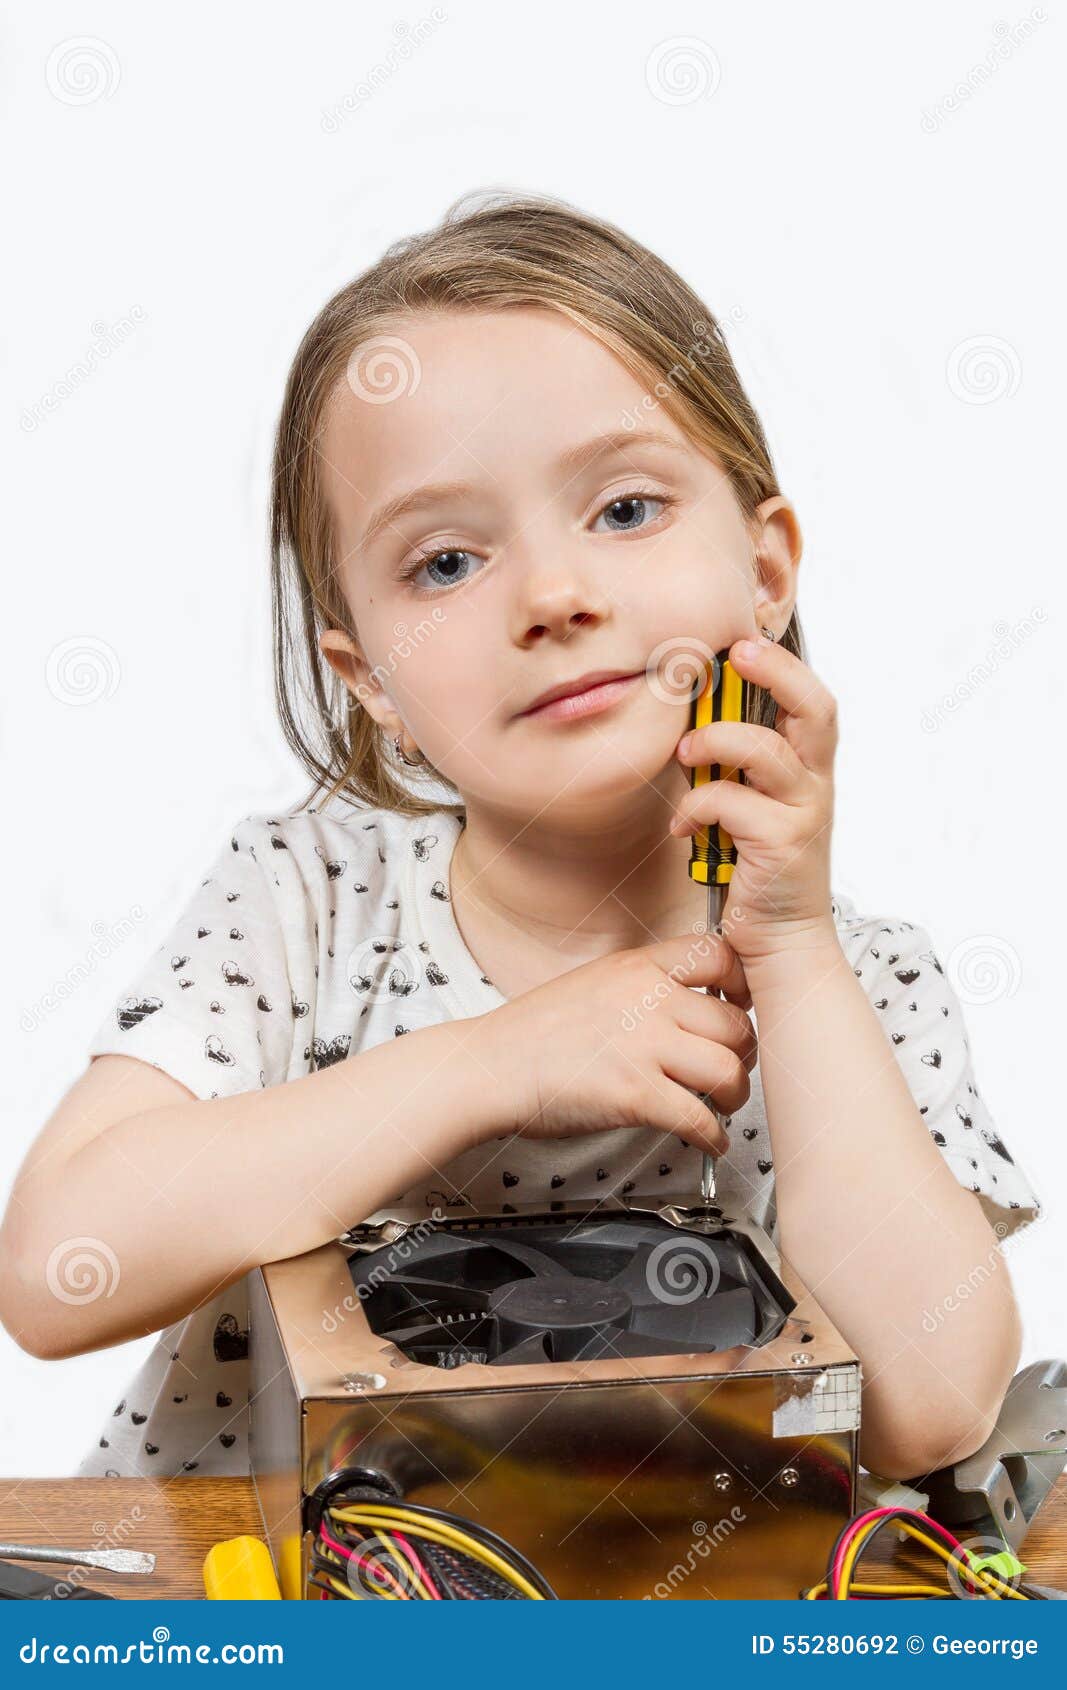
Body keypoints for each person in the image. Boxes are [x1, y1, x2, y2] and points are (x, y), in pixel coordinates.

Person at [0, 191, 1041, 1488]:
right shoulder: (309, 901)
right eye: (446, 563)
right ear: (370, 680)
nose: (553, 596)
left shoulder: (861, 983)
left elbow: (928, 1407)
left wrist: (790, 952)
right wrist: (496, 1061)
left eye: (625, 509)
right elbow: (55, 1272)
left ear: (767, 571)